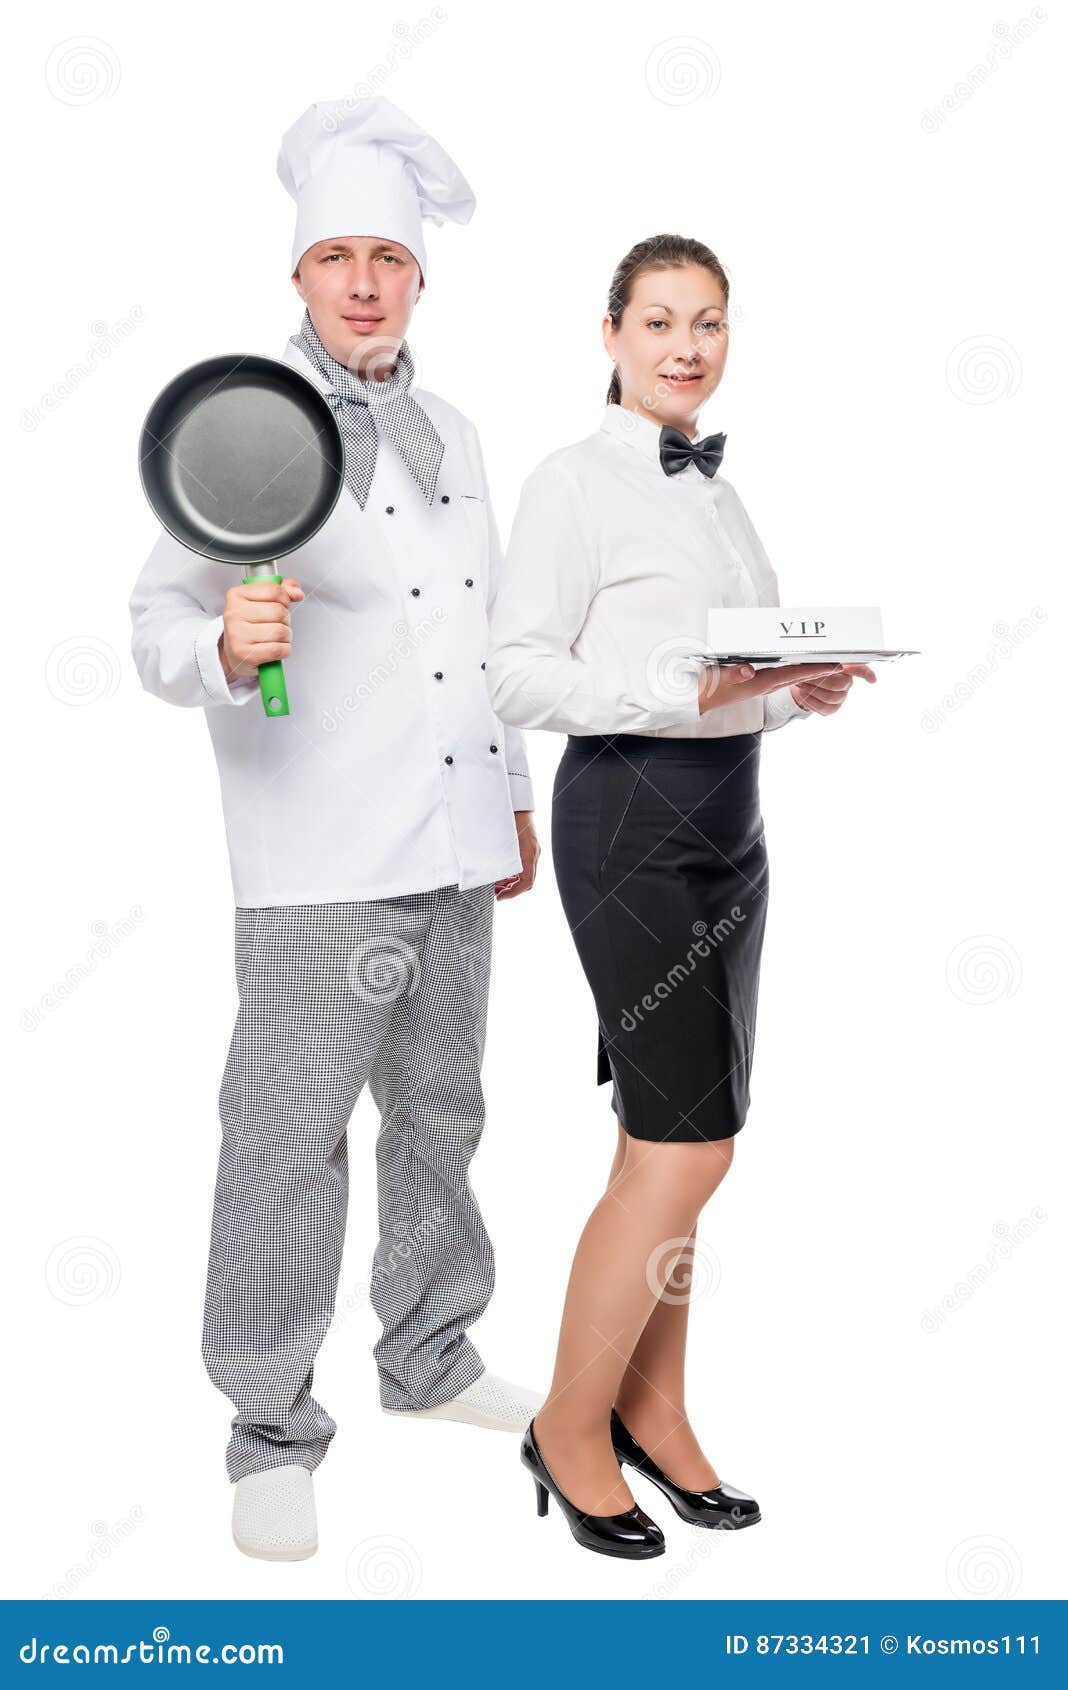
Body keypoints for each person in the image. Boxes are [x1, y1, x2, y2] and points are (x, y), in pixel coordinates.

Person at [128, 96, 543, 1562]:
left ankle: (431, 1352)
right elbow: (154, 615)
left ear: (420, 277)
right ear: (297, 278)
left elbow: (487, 631)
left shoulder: (460, 436)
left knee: (444, 1115)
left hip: (452, 851)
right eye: (336, 258)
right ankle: (266, 1425)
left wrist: (514, 807)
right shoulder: (254, 425)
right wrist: (221, 647)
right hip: (316, 868)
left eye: (388, 256)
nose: (364, 281)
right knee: (288, 1142)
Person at [486, 234, 875, 1560]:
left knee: (670, 1140)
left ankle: (655, 1404)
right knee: (685, 1145)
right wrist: (688, 688)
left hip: (732, 825)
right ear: (610, 333)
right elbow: (519, 674)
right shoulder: (568, 482)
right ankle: (571, 1424)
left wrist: (793, 686)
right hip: (630, 825)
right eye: (659, 321)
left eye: (707, 323)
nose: (685, 346)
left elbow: (732, 674)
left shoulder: (719, 490)